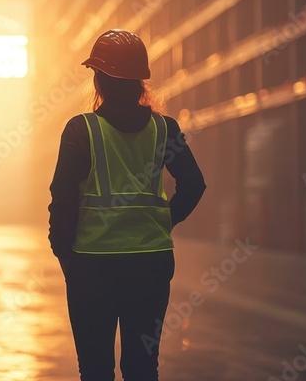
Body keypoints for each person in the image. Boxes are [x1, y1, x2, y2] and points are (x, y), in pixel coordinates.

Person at [49, 29, 206, 381]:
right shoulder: (165, 129)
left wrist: (64, 253)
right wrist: (165, 221)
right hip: (150, 263)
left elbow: (62, 200)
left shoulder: (81, 129)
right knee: (142, 366)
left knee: (95, 367)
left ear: (99, 79)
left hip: (93, 264)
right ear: (140, 80)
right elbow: (194, 185)